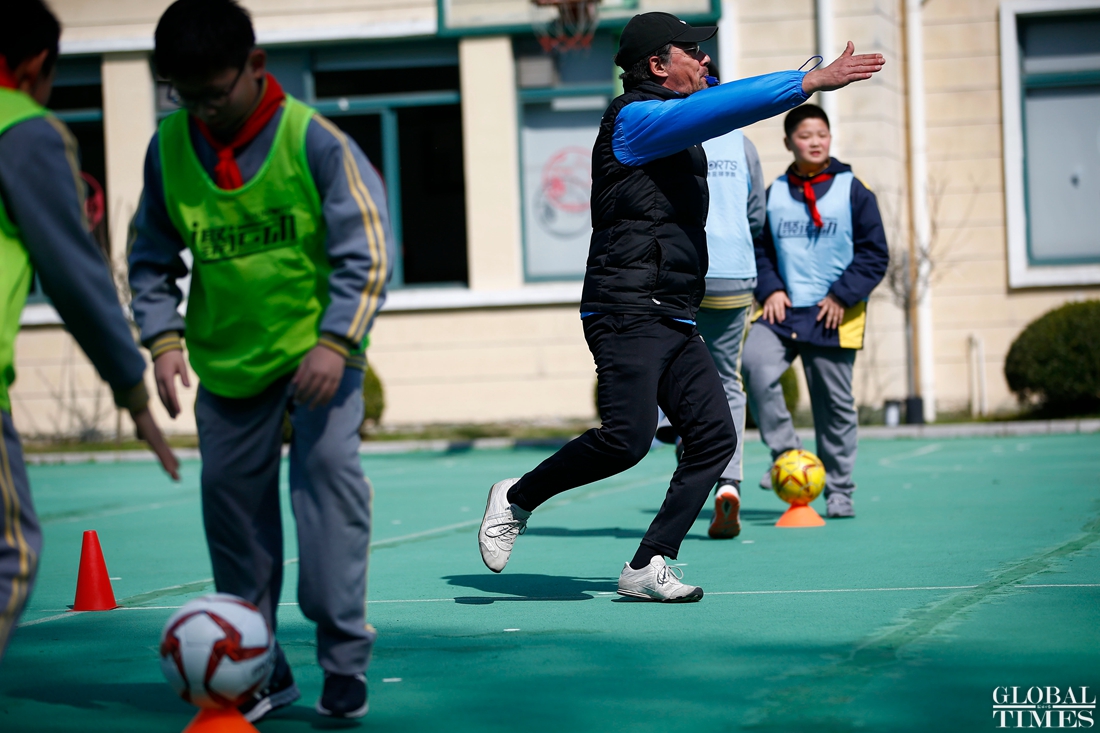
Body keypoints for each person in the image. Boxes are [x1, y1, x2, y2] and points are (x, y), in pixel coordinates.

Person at [477, 11, 884, 602]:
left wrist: (803, 78)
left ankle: (649, 564)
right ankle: (515, 498)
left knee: (716, 438)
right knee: (627, 439)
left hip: (672, 309)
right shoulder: (637, 120)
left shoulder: (676, 111)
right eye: (691, 51)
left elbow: (726, 101)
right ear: (656, 65)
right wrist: (806, 84)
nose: (705, 60)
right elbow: (720, 107)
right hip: (625, 305)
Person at [128, 0, 392, 720]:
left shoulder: (316, 141)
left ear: (255, 67)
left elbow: (367, 250)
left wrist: (336, 341)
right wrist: (162, 339)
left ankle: (344, 657)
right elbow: (149, 258)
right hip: (229, 367)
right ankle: (261, 667)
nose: (204, 109)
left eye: (216, 91)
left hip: (319, 365)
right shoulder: (169, 148)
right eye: (187, 95)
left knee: (329, 498)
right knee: (236, 526)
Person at [0, 0, 179, 663]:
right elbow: (75, 276)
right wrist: (133, 394)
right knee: (11, 553)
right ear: (37, 66)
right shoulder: (24, 130)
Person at [742, 104, 889, 519]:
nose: (815, 142)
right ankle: (787, 454)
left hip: (834, 312)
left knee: (834, 406)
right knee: (755, 366)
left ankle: (840, 490)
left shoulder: (853, 190)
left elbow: (875, 254)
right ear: (788, 142)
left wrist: (843, 296)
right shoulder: (774, 193)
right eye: (805, 136)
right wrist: (769, 288)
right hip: (784, 311)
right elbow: (760, 248)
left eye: (821, 135)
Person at [654, 63, 766, 541]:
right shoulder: (742, 143)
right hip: (736, 273)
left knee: (670, 365)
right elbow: (756, 213)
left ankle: (672, 429)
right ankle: (731, 482)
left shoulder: (673, 134)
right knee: (728, 379)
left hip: (689, 273)